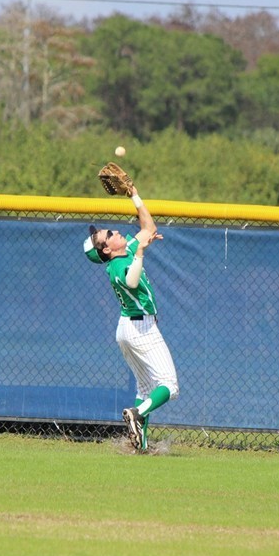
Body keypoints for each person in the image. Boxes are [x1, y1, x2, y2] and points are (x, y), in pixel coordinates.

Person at [83, 183, 179, 451]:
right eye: (109, 234)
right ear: (106, 250)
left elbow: (149, 228)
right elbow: (132, 281)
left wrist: (133, 195)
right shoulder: (119, 264)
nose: (115, 231)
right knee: (169, 386)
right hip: (141, 330)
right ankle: (136, 415)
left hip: (127, 330)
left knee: (145, 390)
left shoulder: (126, 251)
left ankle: (140, 445)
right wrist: (139, 252)